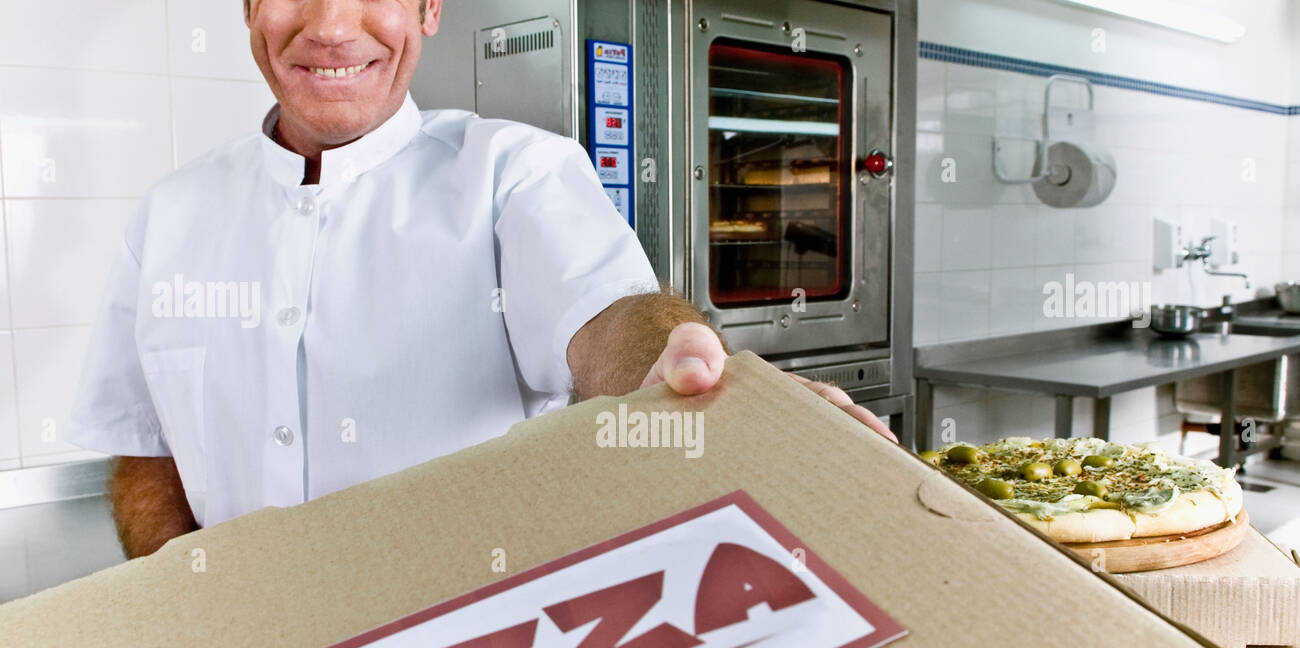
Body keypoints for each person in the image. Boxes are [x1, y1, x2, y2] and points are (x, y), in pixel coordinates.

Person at [67, 0, 895, 559]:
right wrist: (177, 599)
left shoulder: (512, 174)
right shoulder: (169, 216)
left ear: (429, 8)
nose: (327, 26)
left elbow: (611, 316)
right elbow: (147, 449)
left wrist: (667, 366)